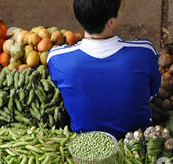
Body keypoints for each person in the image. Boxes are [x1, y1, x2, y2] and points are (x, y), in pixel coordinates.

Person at [47, 0, 160, 140]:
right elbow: (153, 92)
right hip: (138, 141)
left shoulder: (57, 58)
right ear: (111, 22)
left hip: (86, 143)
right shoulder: (144, 52)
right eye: (121, 10)